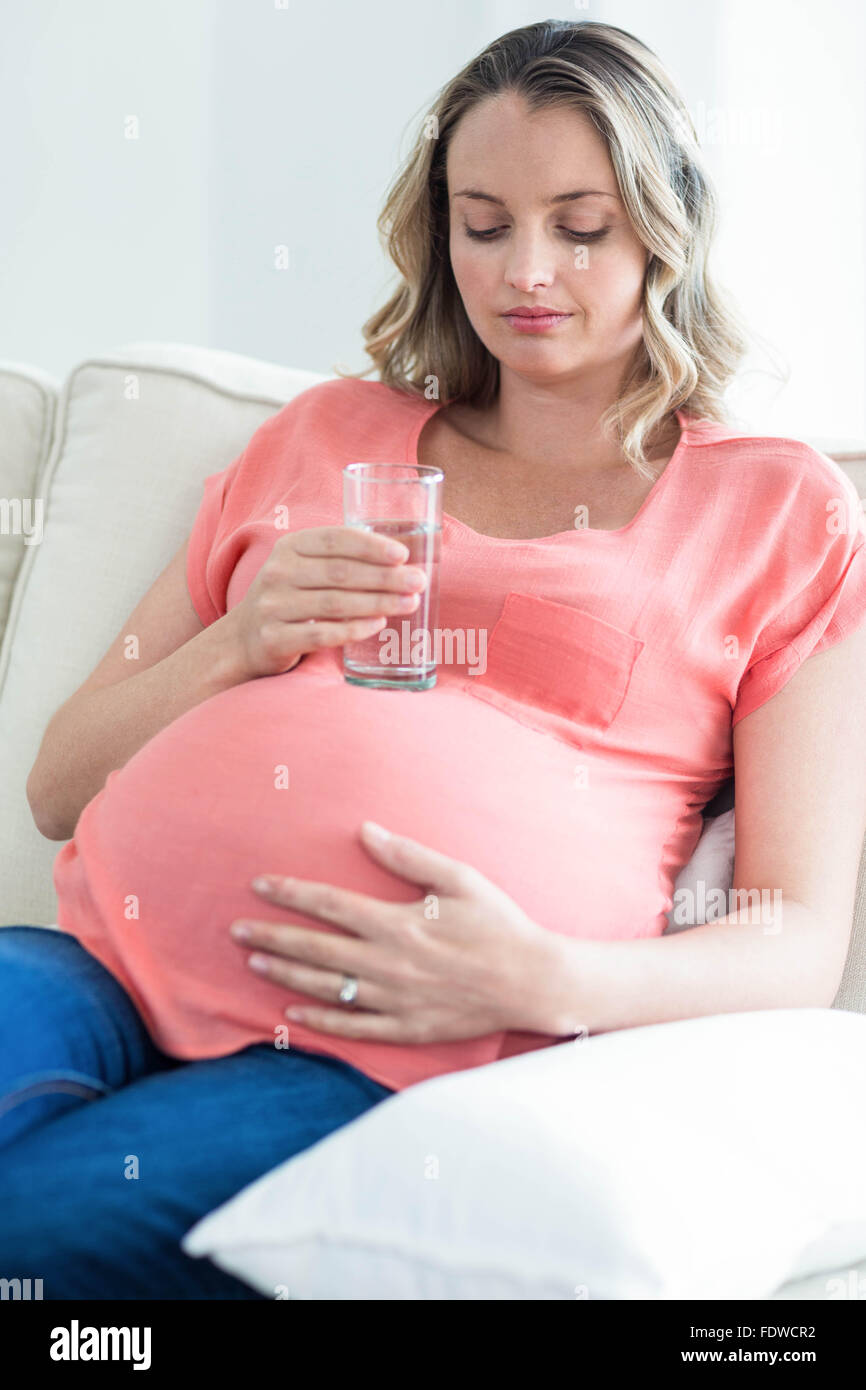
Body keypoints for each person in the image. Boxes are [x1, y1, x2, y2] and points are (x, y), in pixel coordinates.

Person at [4, 19, 866, 1299]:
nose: (526, 269)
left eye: (581, 225)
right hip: (99, 964)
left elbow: (794, 935)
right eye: (482, 221)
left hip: (380, 1042)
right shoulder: (322, 433)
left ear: (662, 231)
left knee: (35, 1242)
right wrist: (245, 639)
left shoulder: (775, 512)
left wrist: (543, 977)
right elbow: (57, 784)